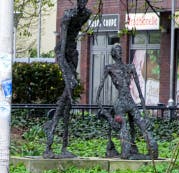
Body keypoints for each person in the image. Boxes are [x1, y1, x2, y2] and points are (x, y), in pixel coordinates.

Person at [43, 0, 91, 159]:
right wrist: (66, 72)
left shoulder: (87, 14)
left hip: (73, 53)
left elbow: (76, 36)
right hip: (63, 53)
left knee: (67, 102)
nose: (83, 2)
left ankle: (62, 144)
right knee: (70, 87)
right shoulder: (67, 16)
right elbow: (62, 47)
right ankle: (50, 143)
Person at [95, 43, 158, 160]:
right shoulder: (109, 68)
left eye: (120, 50)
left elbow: (140, 93)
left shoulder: (130, 67)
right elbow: (98, 96)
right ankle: (128, 152)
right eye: (117, 50)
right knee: (124, 131)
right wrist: (107, 115)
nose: (120, 52)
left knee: (143, 126)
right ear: (113, 54)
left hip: (130, 102)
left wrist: (146, 114)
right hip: (120, 104)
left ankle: (150, 152)